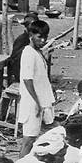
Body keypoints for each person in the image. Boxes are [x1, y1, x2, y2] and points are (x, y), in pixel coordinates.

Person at [17, 19, 55, 153]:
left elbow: (41, 77)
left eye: (45, 37)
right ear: (30, 36)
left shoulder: (36, 52)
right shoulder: (28, 53)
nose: (43, 40)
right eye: (40, 37)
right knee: (28, 140)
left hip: (40, 100)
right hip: (32, 102)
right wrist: (37, 102)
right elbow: (27, 80)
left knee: (36, 139)